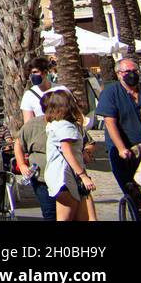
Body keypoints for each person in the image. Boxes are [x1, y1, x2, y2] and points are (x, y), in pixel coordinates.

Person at [95, 56, 141, 191]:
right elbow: (110, 123)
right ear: (119, 74)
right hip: (125, 154)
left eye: (135, 71)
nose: (132, 74)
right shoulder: (110, 93)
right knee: (133, 192)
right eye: (127, 71)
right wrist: (121, 148)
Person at [43, 88, 95, 221]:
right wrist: (83, 176)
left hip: (65, 177)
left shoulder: (57, 125)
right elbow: (67, 151)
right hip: (65, 178)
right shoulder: (64, 126)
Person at [13, 93, 55, 220]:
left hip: (66, 177)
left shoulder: (67, 122)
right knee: (50, 213)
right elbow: (18, 144)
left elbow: (87, 143)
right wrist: (21, 165)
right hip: (41, 177)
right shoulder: (33, 125)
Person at [20, 57, 51, 125]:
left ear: (45, 72)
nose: (32, 76)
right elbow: (29, 124)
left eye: (35, 72)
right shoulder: (28, 95)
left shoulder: (60, 89)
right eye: (30, 73)